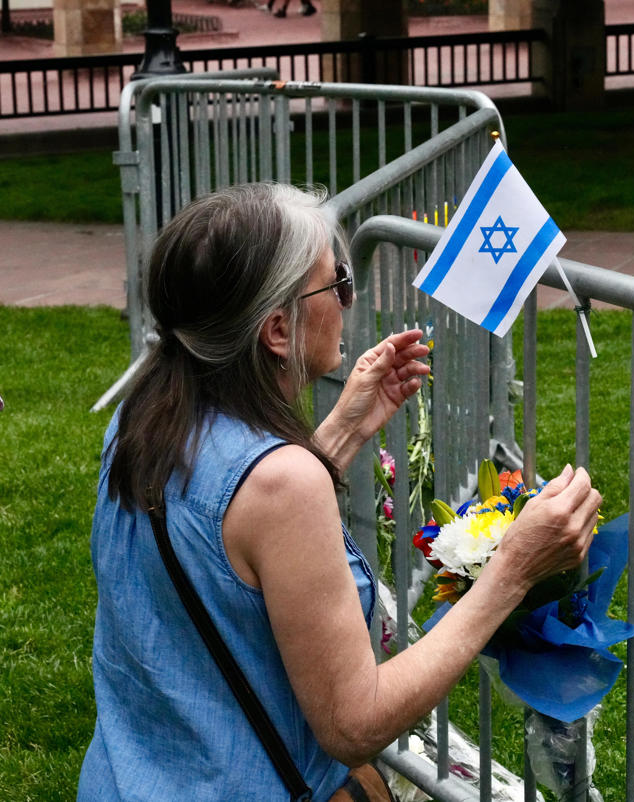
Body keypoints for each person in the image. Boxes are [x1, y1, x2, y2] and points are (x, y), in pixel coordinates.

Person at [77, 182, 602, 801]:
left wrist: (342, 432)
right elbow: (354, 725)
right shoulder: (282, 483)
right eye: (338, 284)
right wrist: (513, 569)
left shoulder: (143, 415)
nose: (349, 300)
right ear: (278, 330)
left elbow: (232, 538)